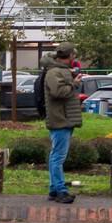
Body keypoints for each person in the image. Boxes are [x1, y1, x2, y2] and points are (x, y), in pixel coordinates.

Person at [41, 42, 84, 204]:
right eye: (74, 54)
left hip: (64, 119)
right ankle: (60, 191)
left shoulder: (58, 71)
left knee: (56, 156)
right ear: (70, 55)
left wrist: (71, 80)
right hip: (60, 120)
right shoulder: (54, 72)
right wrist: (74, 83)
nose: (75, 57)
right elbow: (58, 92)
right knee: (58, 157)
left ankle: (54, 189)